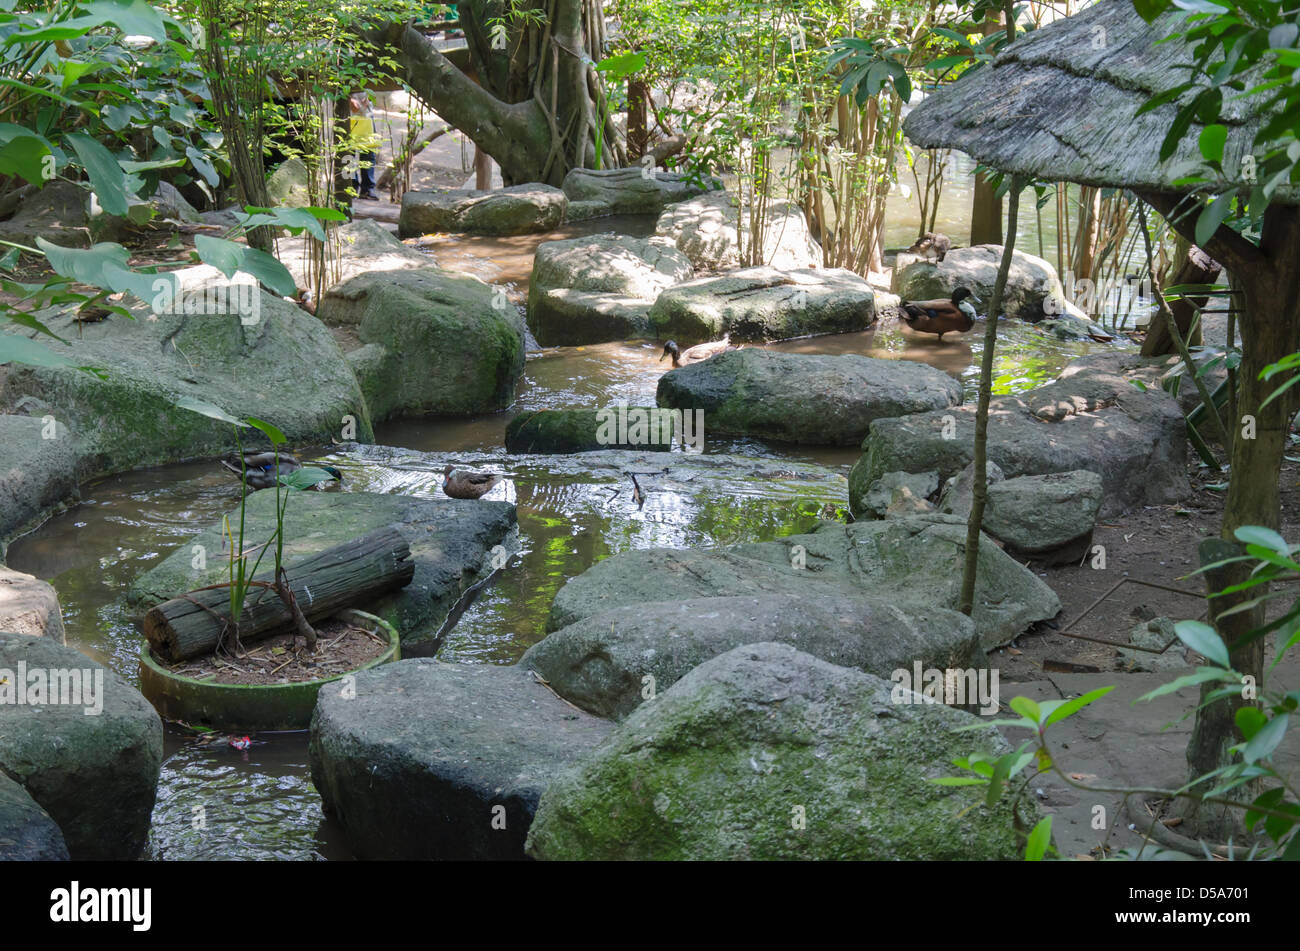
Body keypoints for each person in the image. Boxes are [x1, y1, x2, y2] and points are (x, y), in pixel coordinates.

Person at [349, 92, 378, 201]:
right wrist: (348, 98)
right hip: (344, 110)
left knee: (368, 150)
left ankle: (368, 189)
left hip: (366, 111)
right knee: (346, 152)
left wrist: (370, 96)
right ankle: (348, 187)